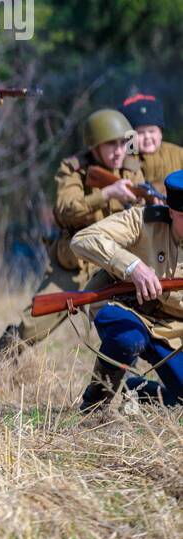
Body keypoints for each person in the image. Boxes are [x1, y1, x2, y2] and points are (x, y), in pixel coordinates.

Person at [0, 109, 143, 357]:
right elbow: (65, 210)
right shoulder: (74, 170)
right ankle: (4, 354)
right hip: (74, 266)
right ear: (94, 147)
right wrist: (106, 194)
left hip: (114, 265)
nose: (119, 151)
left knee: (126, 328)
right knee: (33, 326)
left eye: (122, 144)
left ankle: (124, 381)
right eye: (110, 145)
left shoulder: (132, 170)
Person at [69, 170, 183, 411]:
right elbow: (84, 239)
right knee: (128, 338)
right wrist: (133, 266)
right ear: (172, 211)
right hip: (127, 308)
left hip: (174, 330)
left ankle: (143, 392)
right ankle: (95, 405)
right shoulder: (142, 221)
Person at [121, 93, 183, 188]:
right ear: (130, 136)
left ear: (160, 133)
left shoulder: (178, 154)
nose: (147, 137)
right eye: (140, 133)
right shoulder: (123, 157)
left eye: (151, 131)